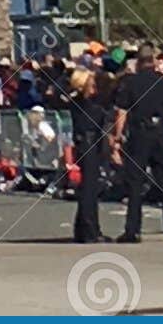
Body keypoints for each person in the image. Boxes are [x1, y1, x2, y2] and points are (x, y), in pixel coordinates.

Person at [111, 44, 163, 242]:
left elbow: (121, 111)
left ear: (139, 62)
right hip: (160, 133)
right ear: (154, 60)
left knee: (135, 183)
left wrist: (117, 136)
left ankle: (133, 230)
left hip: (140, 134)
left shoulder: (131, 83)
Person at [69, 69, 107, 243]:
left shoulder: (80, 102)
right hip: (87, 144)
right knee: (89, 190)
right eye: (91, 83)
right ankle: (90, 230)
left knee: (88, 189)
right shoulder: (83, 104)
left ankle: (82, 229)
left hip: (89, 143)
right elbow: (94, 120)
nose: (94, 87)